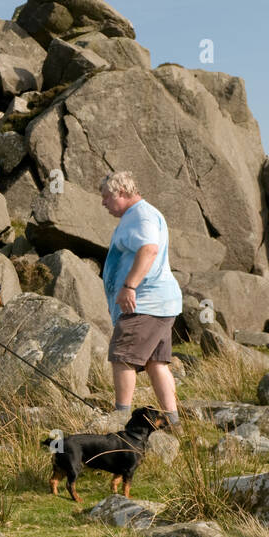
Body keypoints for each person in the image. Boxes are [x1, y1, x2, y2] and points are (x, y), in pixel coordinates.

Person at [99, 170, 182, 426]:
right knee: (157, 362)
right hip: (159, 303)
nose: (103, 203)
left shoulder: (141, 215)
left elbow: (149, 249)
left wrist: (129, 286)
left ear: (121, 193)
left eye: (106, 197)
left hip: (145, 303)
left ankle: (120, 418)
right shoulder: (137, 215)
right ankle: (173, 423)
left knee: (122, 357)